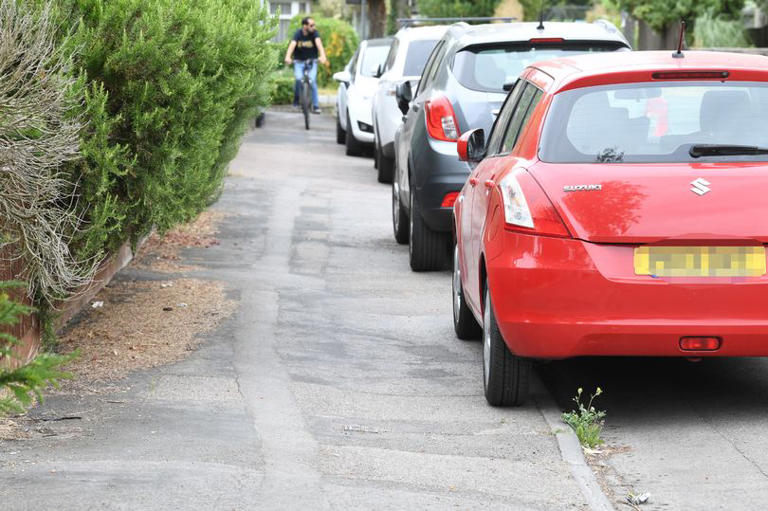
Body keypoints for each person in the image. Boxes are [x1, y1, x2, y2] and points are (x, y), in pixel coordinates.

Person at [284, 17, 328, 114]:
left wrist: (323, 56)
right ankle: (296, 102)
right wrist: (288, 57)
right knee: (299, 79)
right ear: (305, 26)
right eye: (311, 25)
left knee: (312, 80)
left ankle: (315, 106)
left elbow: (319, 45)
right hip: (299, 62)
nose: (314, 27)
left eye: (314, 25)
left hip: (312, 61)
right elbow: (292, 45)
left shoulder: (315, 34)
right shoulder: (298, 33)